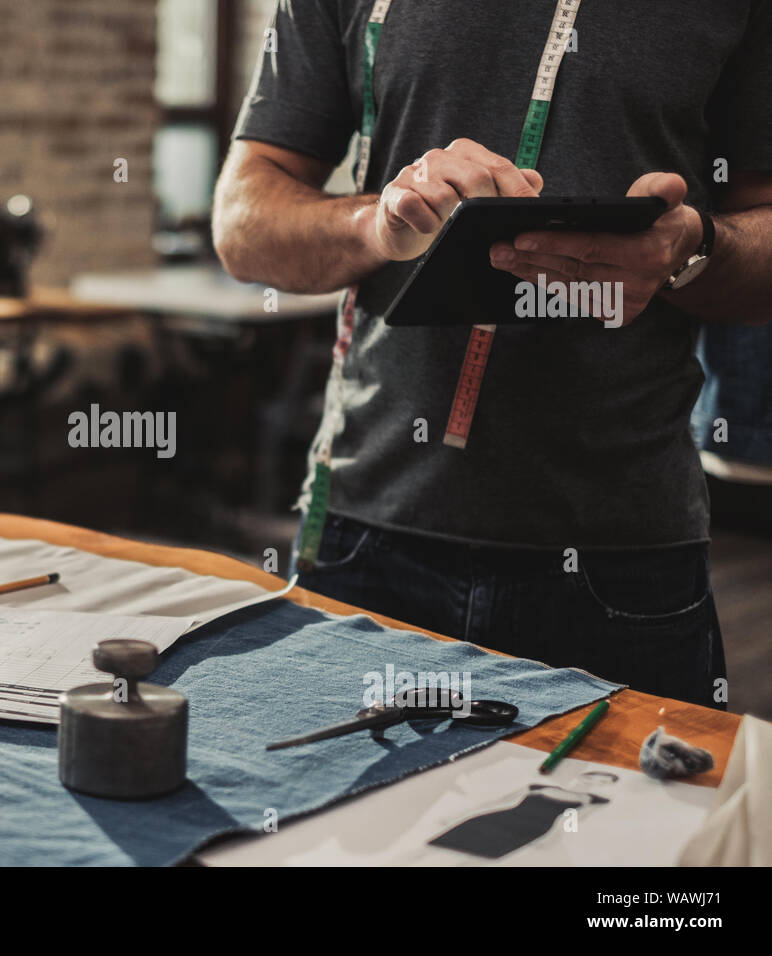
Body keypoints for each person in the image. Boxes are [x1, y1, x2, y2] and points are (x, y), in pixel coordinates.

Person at [212, 1, 772, 707]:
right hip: (362, 537)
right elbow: (241, 222)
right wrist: (377, 225)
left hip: (622, 558)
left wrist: (691, 251)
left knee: (645, 820)